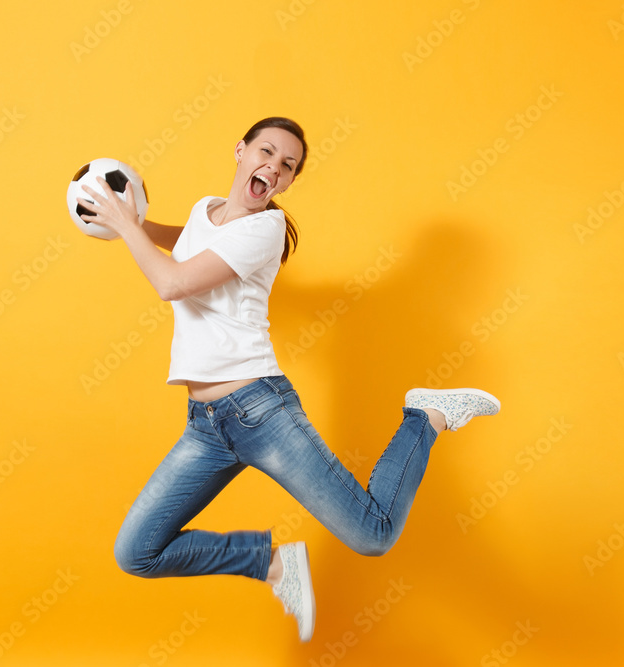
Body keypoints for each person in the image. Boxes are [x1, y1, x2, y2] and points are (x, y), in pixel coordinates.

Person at [78, 116, 500, 642]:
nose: (273, 167)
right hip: (207, 426)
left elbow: (175, 283)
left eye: (287, 165)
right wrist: (129, 220)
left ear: (289, 182)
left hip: (259, 411)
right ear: (240, 150)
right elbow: (180, 241)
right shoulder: (204, 211)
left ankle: (426, 416)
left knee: (373, 534)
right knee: (137, 551)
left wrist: (121, 224)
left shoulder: (265, 229)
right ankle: (273, 563)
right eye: (267, 152)